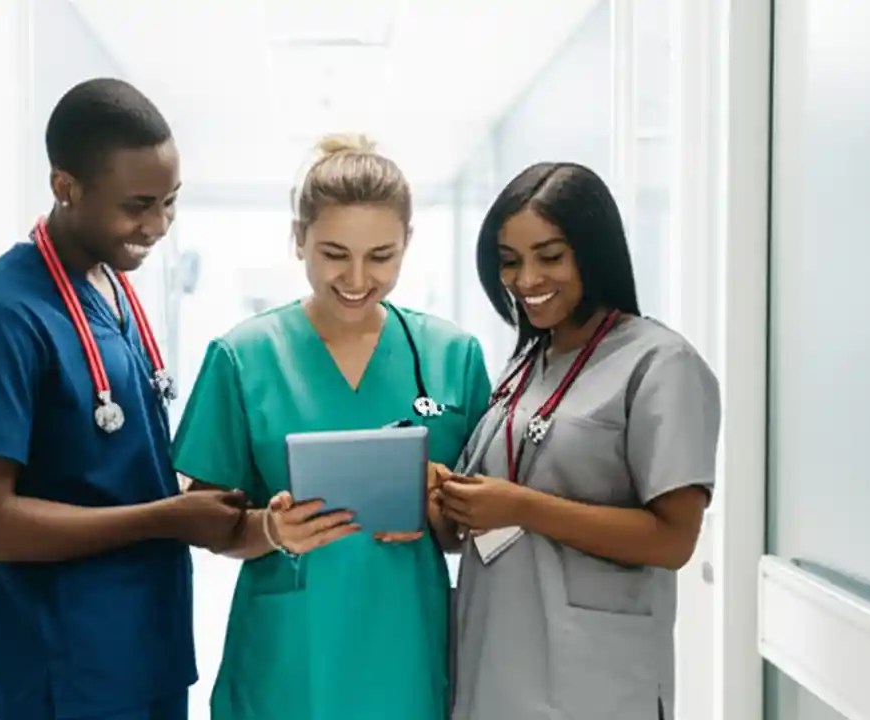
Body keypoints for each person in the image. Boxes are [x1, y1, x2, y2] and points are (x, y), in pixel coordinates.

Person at [0, 78, 247, 720]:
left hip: (148, 650)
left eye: (170, 203)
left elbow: (108, 470)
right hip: (70, 669)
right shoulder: (3, 316)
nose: (157, 226)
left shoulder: (107, 287)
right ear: (65, 187)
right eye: (137, 205)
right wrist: (164, 518)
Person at [171, 134, 492, 720]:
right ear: (299, 240)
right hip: (290, 654)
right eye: (334, 253)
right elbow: (203, 520)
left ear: (408, 245)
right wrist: (271, 528)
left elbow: (473, 533)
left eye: (381, 256)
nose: (357, 277)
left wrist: (440, 503)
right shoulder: (243, 355)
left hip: (404, 648)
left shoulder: (452, 355)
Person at [434, 162, 720, 720]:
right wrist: (445, 497)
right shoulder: (524, 366)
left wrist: (520, 506)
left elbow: (673, 541)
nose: (526, 280)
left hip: (595, 680)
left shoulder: (661, 364)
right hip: (495, 666)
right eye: (509, 261)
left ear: (593, 251)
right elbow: (477, 524)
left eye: (550, 255)